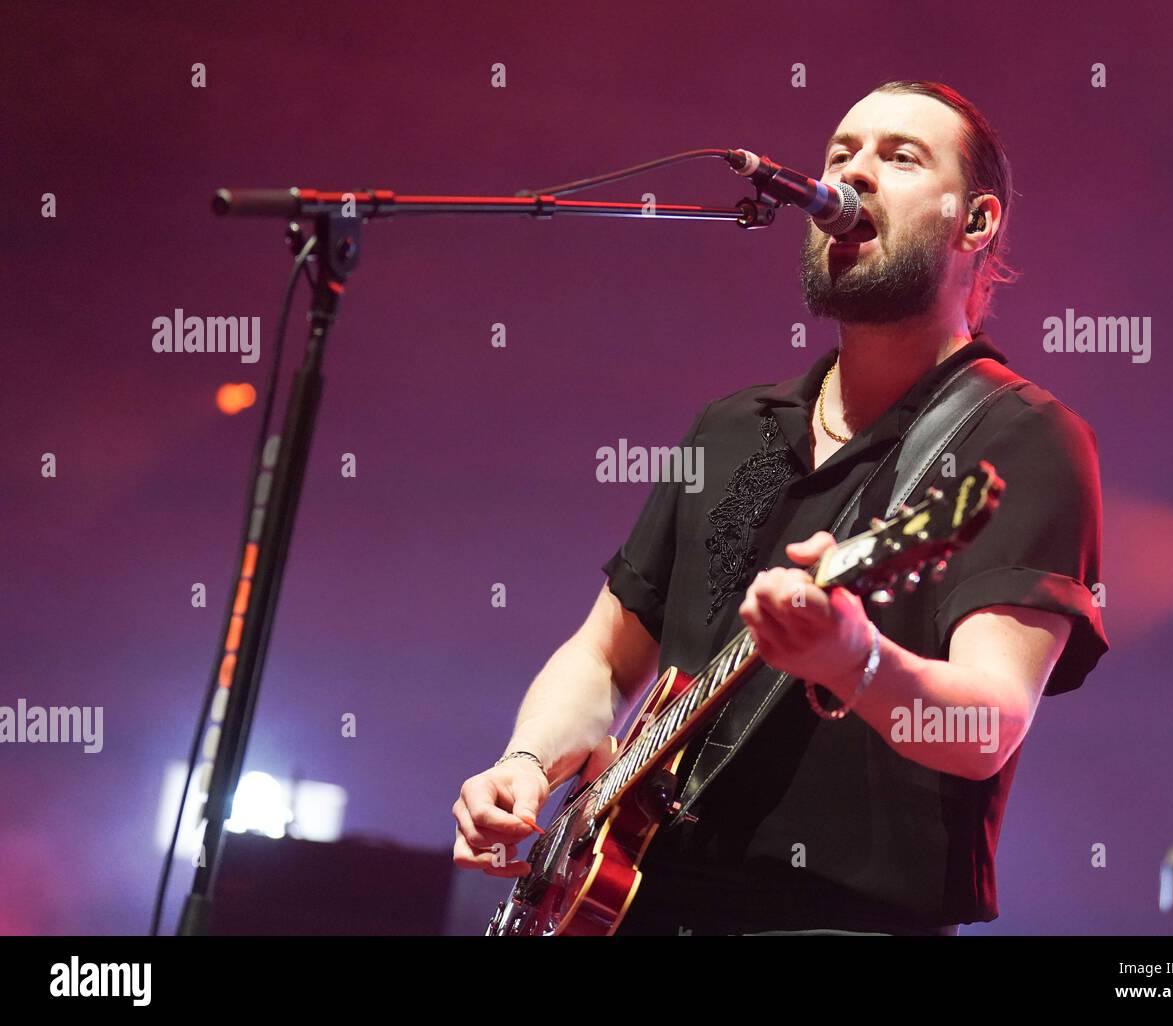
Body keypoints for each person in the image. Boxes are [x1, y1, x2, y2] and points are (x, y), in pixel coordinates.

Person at [453, 80, 1108, 936]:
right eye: (842, 153)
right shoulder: (730, 427)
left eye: (900, 157)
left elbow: (987, 723)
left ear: (974, 223)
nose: (854, 173)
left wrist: (856, 661)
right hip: (634, 903)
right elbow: (606, 656)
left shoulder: (1027, 440)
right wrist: (529, 760)